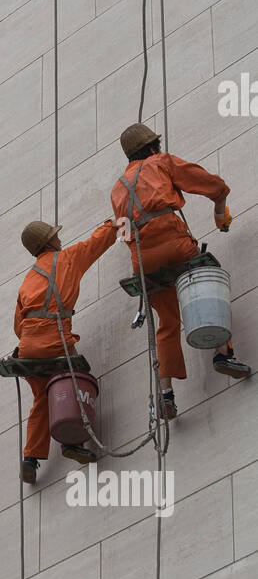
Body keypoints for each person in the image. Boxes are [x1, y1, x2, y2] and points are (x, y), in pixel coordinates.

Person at [111, 123, 251, 417]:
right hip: (172, 240)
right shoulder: (160, 162)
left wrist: (143, 255)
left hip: (142, 257)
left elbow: (123, 231)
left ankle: (166, 392)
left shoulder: (117, 189)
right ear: (151, 148)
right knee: (203, 282)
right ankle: (223, 354)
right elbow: (208, 183)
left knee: (168, 322)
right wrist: (220, 207)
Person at [15, 217, 117, 484]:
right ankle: (72, 443)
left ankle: (30, 458)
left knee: (41, 397)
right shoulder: (68, 259)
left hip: (27, 346)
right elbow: (95, 244)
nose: (60, 238)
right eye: (55, 235)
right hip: (55, 339)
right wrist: (116, 223)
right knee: (72, 381)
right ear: (51, 241)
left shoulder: (29, 278)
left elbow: (18, 324)